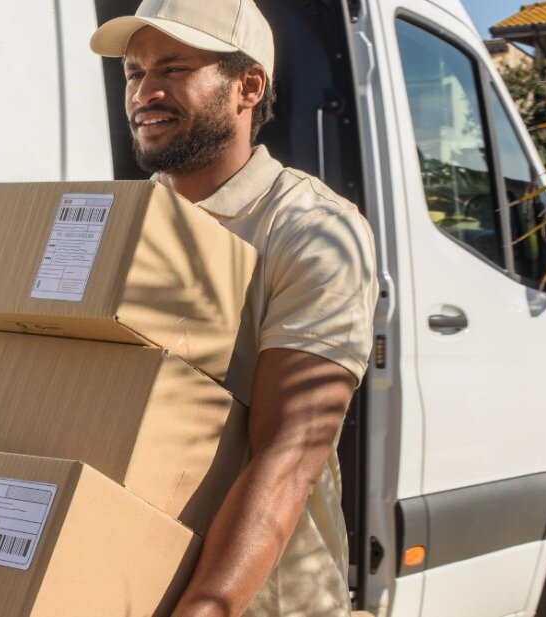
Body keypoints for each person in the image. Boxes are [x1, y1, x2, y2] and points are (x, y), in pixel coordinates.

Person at [90, 1, 379, 615]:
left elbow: (288, 453)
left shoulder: (313, 229)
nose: (145, 92)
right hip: (129, 584)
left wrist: (205, 609)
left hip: (262, 600)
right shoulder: (122, 223)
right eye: (134, 73)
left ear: (247, 86)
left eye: (173, 68)